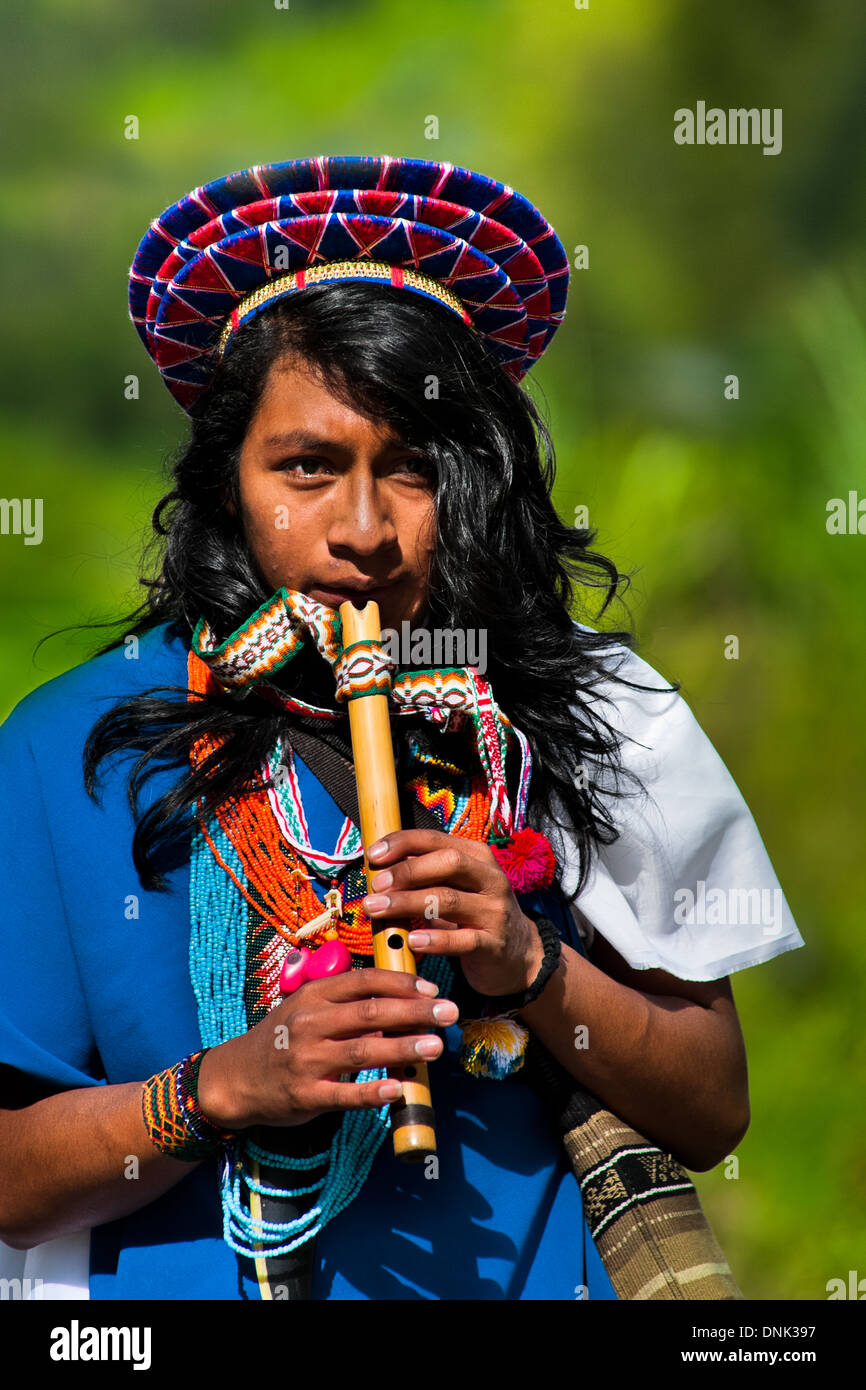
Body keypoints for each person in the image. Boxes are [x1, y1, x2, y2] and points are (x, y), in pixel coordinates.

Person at [0, 155, 804, 1301]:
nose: (362, 530)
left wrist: (528, 965)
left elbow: (712, 1107)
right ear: (227, 478)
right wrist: (218, 1090)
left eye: (412, 470)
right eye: (307, 468)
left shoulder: (585, 707)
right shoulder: (70, 742)